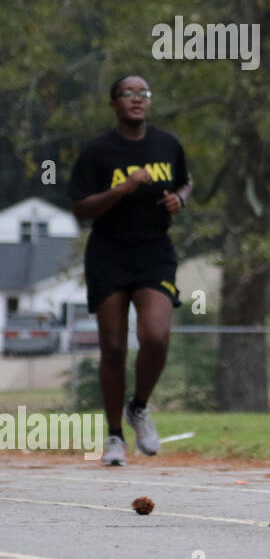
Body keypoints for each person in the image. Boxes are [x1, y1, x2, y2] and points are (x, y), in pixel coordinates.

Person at [69, 75, 192, 467]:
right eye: (128, 94)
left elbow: (186, 183)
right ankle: (114, 438)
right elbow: (80, 207)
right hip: (109, 252)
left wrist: (179, 200)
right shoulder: (98, 151)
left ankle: (138, 407)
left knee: (155, 336)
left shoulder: (167, 144)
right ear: (114, 104)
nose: (137, 99)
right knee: (114, 348)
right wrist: (120, 190)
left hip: (154, 249)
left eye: (144, 93)